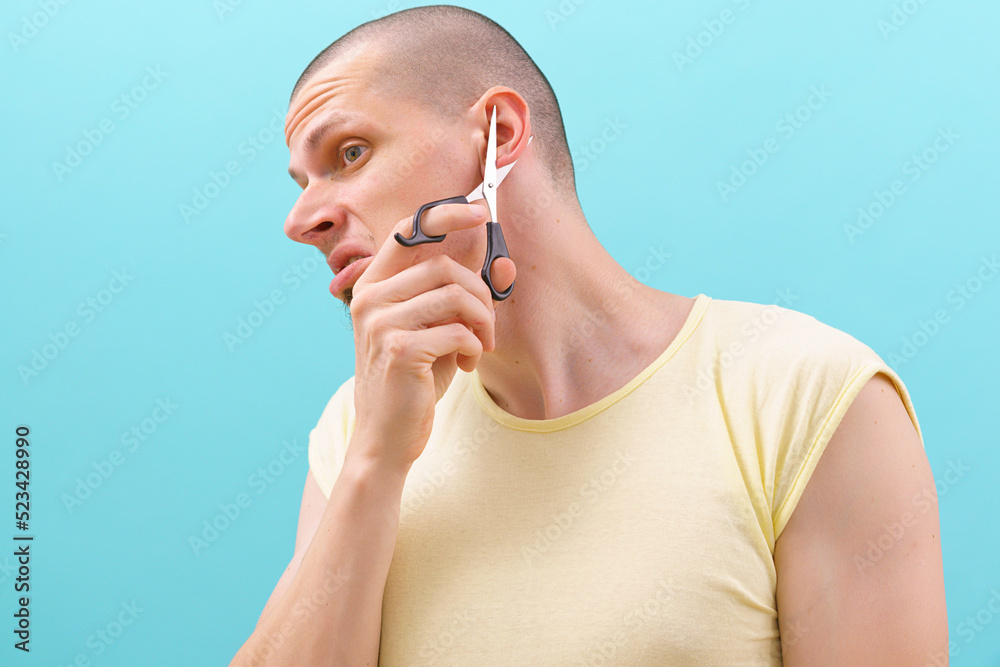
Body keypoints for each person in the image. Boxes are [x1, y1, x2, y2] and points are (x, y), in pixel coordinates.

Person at [232, 5, 947, 665]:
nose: (301, 219)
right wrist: (376, 459)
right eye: (300, 181)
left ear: (498, 136)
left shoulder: (805, 396)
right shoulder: (357, 428)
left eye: (350, 153)